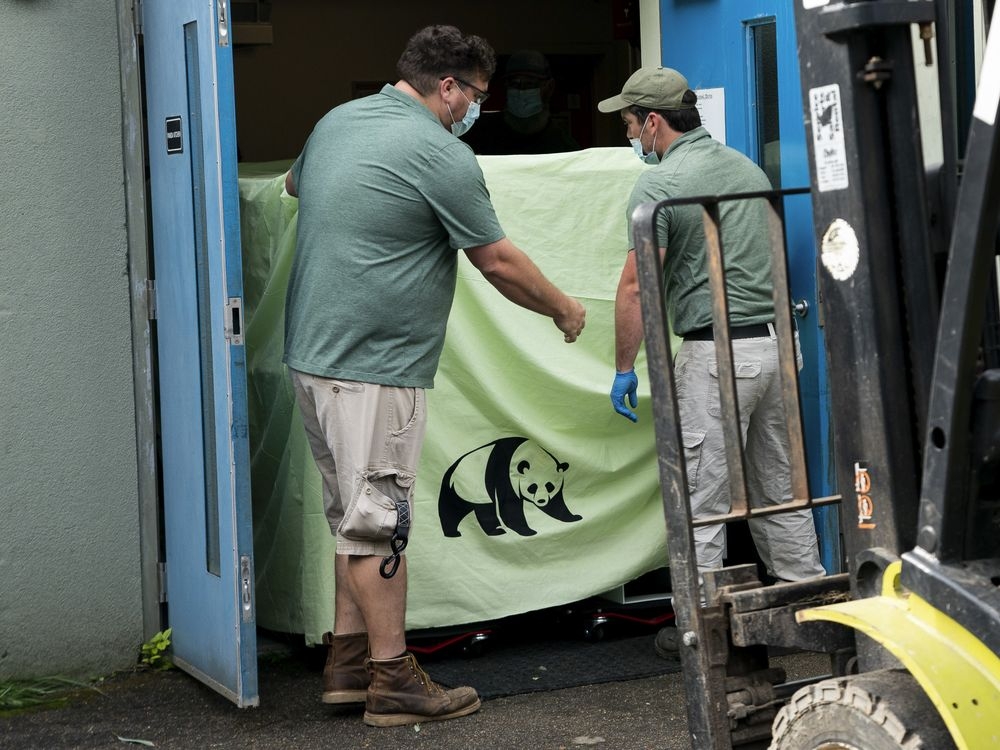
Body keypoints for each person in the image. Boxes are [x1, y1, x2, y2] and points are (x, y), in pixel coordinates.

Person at [282, 25, 586, 728]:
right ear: (447, 86)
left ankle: (348, 663)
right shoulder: (437, 151)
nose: (477, 108)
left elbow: (297, 185)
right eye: (476, 95)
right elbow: (499, 262)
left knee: (349, 520)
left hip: (313, 358)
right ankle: (393, 681)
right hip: (374, 368)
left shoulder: (336, 122)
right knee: (379, 524)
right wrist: (565, 310)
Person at [597, 67, 825, 652]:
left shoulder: (661, 185)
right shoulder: (745, 167)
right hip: (778, 348)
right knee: (784, 489)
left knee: (701, 502)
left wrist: (625, 367)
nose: (630, 137)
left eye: (628, 125)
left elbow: (635, 287)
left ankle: (702, 629)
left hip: (718, 354)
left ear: (652, 122)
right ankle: (808, 610)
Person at [461, 49, 580, 155]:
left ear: (549, 88)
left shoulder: (563, 146)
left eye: (530, 84)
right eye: (514, 84)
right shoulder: (482, 134)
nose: (521, 91)